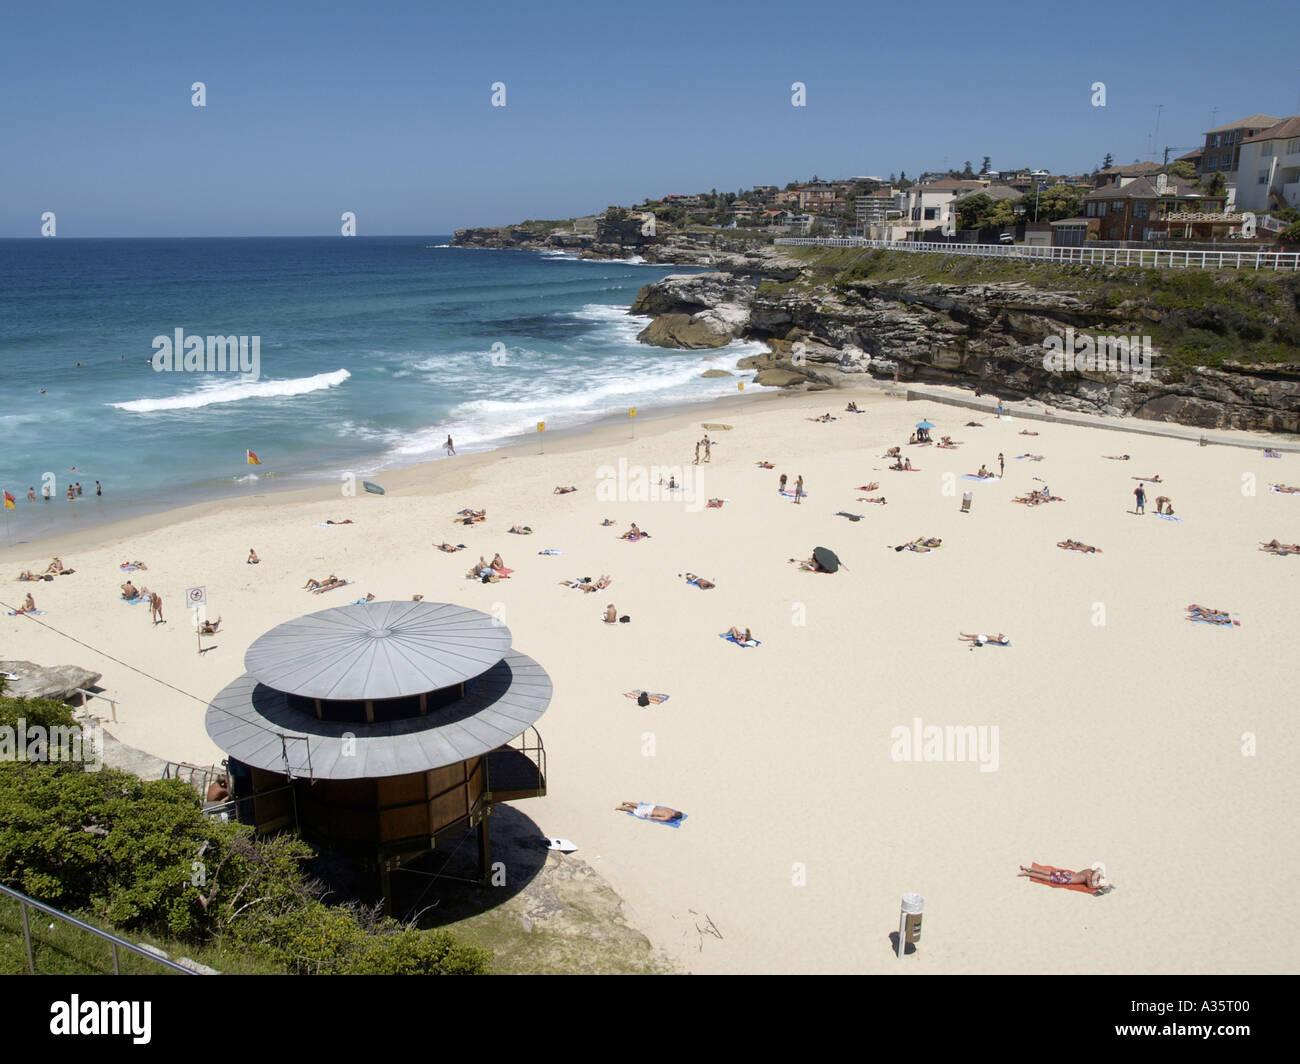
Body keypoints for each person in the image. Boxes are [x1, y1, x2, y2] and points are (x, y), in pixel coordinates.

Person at [1018, 864, 1110, 891]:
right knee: (1045, 877)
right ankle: (1027, 873)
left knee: (1047, 872)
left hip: (1066, 874)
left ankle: (1027, 868)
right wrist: (1100, 886)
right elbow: (1090, 886)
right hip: (1067, 879)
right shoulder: (1089, 877)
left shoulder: (1088, 870)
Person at [615, 802, 684, 822]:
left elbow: (663, 807)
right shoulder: (668, 817)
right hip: (650, 812)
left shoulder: (670, 810)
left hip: (652, 807)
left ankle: (626, 802)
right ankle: (620, 808)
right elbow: (659, 818)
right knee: (633, 810)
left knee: (638, 805)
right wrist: (649, 817)